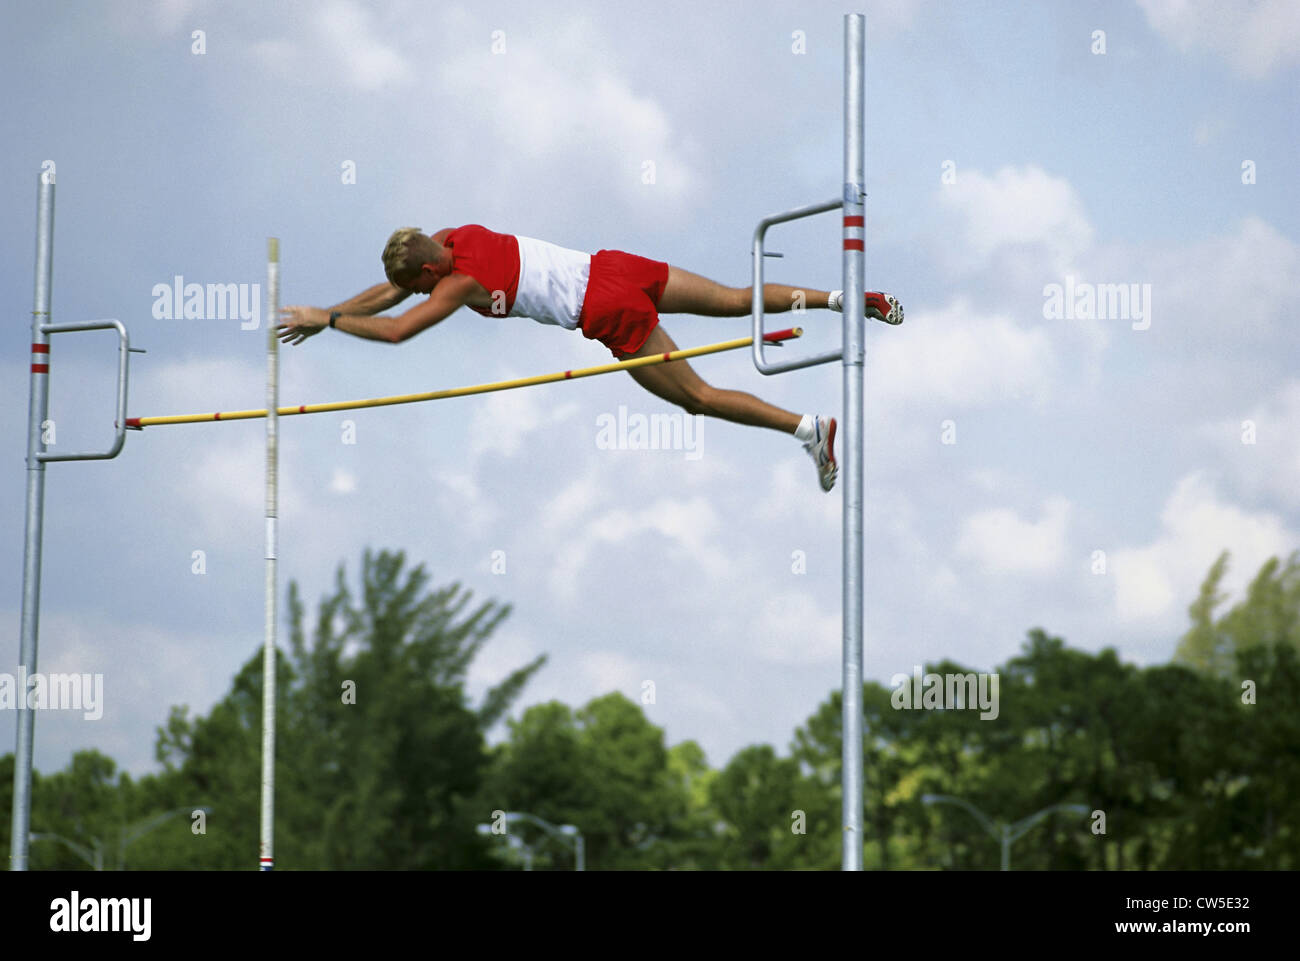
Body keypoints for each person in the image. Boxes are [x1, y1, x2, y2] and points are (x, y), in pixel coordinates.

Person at [277, 225, 902, 491]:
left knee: (699, 399)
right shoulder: (452, 240)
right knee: (737, 299)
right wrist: (327, 314)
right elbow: (391, 292)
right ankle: (844, 298)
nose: (417, 292)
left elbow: (395, 331)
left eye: (421, 284)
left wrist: (329, 320)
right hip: (612, 267)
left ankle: (806, 429)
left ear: (431, 271)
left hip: (604, 311)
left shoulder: (456, 285)